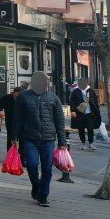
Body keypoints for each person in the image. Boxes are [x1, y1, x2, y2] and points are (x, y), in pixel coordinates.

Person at [13, 71, 68, 207]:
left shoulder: (53, 98)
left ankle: (43, 196)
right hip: (29, 137)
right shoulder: (24, 97)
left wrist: (62, 141)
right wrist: (14, 136)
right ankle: (36, 185)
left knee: (47, 169)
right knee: (31, 165)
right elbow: (18, 118)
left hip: (48, 139)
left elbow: (60, 121)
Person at [69, 77, 101, 151]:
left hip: (89, 113)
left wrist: (97, 111)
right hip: (79, 113)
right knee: (81, 128)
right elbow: (72, 102)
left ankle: (90, 143)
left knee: (90, 128)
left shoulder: (90, 90)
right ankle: (83, 143)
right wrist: (73, 110)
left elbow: (95, 102)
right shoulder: (76, 91)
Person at [0, 85, 23, 149]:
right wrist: (0, 111)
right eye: (16, 97)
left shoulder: (23, 99)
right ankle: (10, 156)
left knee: (23, 141)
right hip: (10, 122)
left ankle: (22, 158)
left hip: (22, 122)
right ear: (13, 93)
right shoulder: (7, 98)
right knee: (11, 140)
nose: (17, 99)